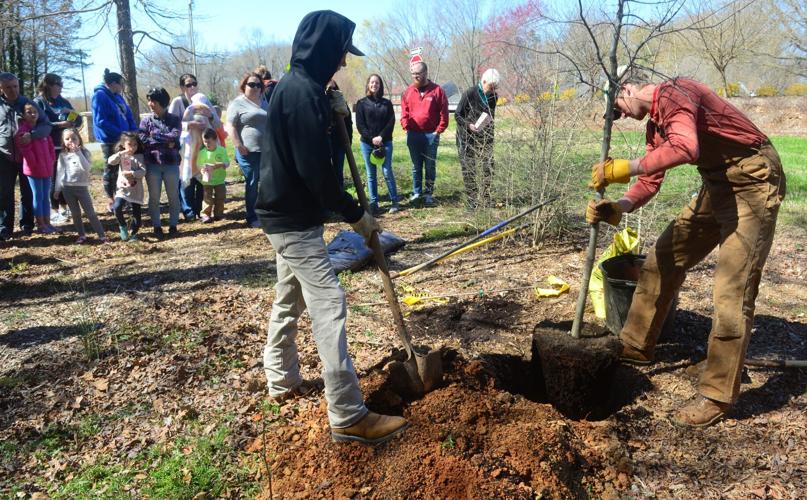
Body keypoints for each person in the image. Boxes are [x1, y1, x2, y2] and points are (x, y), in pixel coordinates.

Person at [586, 67, 786, 427]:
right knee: (663, 257)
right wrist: (619, 206)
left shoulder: (677, 93)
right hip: (717, 185)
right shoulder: (655, 123)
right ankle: (636, 344)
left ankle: (717, 395)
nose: (620, 117)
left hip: (754, 181)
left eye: (617, 107)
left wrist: (623, 167)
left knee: (731, 292)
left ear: (628, 88)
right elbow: (649, 181)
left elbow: (686, 147)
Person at [255, 9, 409, 445]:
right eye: (341, 53)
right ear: (325, 49)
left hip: (285, 215)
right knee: (329, 303)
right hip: (292, 219)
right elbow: (317, 175)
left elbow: (313, 156)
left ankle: (280, 379)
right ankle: (346, 413)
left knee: (289, 297)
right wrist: (356, 214)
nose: (344, 62)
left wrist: (330, 114)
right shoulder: (301, 93)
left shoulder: (302, 89)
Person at [168, 73, 223, 222]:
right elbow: (170, 124)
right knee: (187, 177)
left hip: (204, 145)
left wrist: (210, 116)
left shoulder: (204, 100)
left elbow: (217, 124)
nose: (192, 87)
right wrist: (189, 125)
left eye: (194, 83)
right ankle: (188, 211)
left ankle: (200, 210)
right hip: (186, 147)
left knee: (202, 177)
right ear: (182, 87)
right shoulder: (178, 102)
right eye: (188, 84)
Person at [0, 72, 48, 239]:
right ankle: (4, 228)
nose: (13, 90)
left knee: (27, 192)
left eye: (15, 86)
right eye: (8, 87)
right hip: (4, 157)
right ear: (1, 88)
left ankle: (27, 225)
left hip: (27, 157)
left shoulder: (28, 103)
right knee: (4, 193)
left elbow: (46, 124)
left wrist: (32, 135)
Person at [34, 73, 82, 225]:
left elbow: (78, 119)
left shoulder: (62, 101)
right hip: (48, 146)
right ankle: (54, 210)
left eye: (61, 84)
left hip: (65, 146)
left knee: (65, 178)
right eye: (58, 84)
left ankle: (64, 207)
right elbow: (37, 124)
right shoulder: (39, 102)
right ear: (48, 84)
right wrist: (58, 125)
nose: (61, 87)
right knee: (54, 179)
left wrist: (71, 114)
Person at [400, 61, 448, 206]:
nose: (415, 76)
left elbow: (444, 114)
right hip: (413, 135)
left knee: (429, 166)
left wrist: (437, 131)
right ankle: (416, 193)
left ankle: (428, 193)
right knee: (416, 166)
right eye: (413, 73)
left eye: (417, 73)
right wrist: (406, 127)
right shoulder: (408, 92)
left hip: (430, 135)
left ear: (425, 73)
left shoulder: (437, 91)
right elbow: (404, 113)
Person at [225, 73, 268, 228]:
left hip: (265, 151)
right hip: (247, 151)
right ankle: (251, 216)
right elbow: (230, 125)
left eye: (258, 85)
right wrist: (238, 144)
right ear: (244, 86)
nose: (255, 87)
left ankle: (264, 214)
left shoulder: (264, 102)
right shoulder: (237, 103)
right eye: (251, 84)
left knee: (266, 183)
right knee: (252, 182)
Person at [92, 69, 138, 210]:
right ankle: (111, 200)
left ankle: (125, 197)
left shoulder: (118, 96)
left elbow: (128, 114)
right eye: (120, 84)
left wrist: (133, 131)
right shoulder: (99, 96)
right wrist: (121, 134)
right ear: (112, 83)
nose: (122, 87)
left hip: (125, 139)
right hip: (110, 140)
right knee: (111, 170)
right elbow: (101, 121)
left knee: (125, 168)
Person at [139, 87, 181, 238]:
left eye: (153, 100)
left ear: (162, 102)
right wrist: (165, 139)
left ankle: (173, 225)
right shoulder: (145, 121)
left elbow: (174, 136)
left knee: (173, 196)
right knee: (154, 196)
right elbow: (143, 139)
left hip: (171, 163)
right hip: (152, 164)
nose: (150, 103)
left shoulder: (174, 119)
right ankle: (156, 226)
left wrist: (155, 135)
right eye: (149, 100)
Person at [455, 68, 499, 209]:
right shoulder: (470, 93)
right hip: (466, 136)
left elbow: (489, 114)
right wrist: (469, 125)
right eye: (490, 87)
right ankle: (472, 201)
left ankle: (486, 199)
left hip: (485, 136)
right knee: (469, 167)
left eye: (494, 88)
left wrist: (484, 124)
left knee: (487, 167)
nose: (492, 90)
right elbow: (458, 115)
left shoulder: (493, 96)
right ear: (483, 81)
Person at [355, 74, 399, 214]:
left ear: (380, 85)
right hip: (367, 144)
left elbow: (391, 122)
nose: (374, 85)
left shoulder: (387, 103)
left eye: (377, 83)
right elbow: (360, 125)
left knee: (386, 171)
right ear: (368, 84)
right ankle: (374, 203)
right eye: (372, 82)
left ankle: (394, 202)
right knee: (371, 174)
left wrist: (381, 136)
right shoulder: (361, 103)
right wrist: (372, 138)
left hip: (385, 142)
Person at [54, 128, 107, 243]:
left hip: (82, 188)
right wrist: (57, 189)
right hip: (67, 188)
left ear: (79, 139)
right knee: (75, 213)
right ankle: (81, 235)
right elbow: (60, 172)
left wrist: (78, 153)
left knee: (90, 212)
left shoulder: (85, 152)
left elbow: (86, 168)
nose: (71, 141)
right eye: (67, 139)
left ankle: (102, 235)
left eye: (74, 138)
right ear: (63, 141)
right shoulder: (63, 155)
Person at [16, 103, 56, 234]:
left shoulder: (42, 130)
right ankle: (40, 224)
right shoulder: (23, 132)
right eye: (29, 112)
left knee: (46, 196)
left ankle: (48, 223)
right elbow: (25, 150)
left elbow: (50, 147)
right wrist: (34, 163)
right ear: (23, 115)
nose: (33, 114)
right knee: (38, 196)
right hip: (34, 170)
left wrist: (51, 160)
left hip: (46, 168)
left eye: (35, 111)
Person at [107, 131, 146, 241]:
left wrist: (133, 173)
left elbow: (143, 172)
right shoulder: (122, 155)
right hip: (122, 189)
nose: (132, 147)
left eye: (135, 145)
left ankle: (134, 233)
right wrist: (120, 153)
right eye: (130, 144)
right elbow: (110, 161)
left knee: (136, 215)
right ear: (123, 145)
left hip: (136, 190)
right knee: (117, 207)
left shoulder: (139, 157)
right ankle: (123, 226)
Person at [326, 79, 353, 191]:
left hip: (339, 143)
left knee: (338, 171)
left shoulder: (340, 101)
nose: (331, 91)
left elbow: (348, 123)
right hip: (326, 142)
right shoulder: (321, 101)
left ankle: (340, 196)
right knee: (326, 172)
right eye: (329, 88)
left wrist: (348, 142)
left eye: (333, 88)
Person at [197, 128, 229, 223]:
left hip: (220, 180)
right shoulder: (202, 152)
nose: (207, 144)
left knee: (221, 197)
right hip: (208, 180)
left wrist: (220, 165)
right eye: (205, 142)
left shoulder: (222, 150)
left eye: (209, 142)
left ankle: (219, 214)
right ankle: (206, 215)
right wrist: (202, 170)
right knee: (207, 198)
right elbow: (199, 165)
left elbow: (227, 162)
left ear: (215, 140)